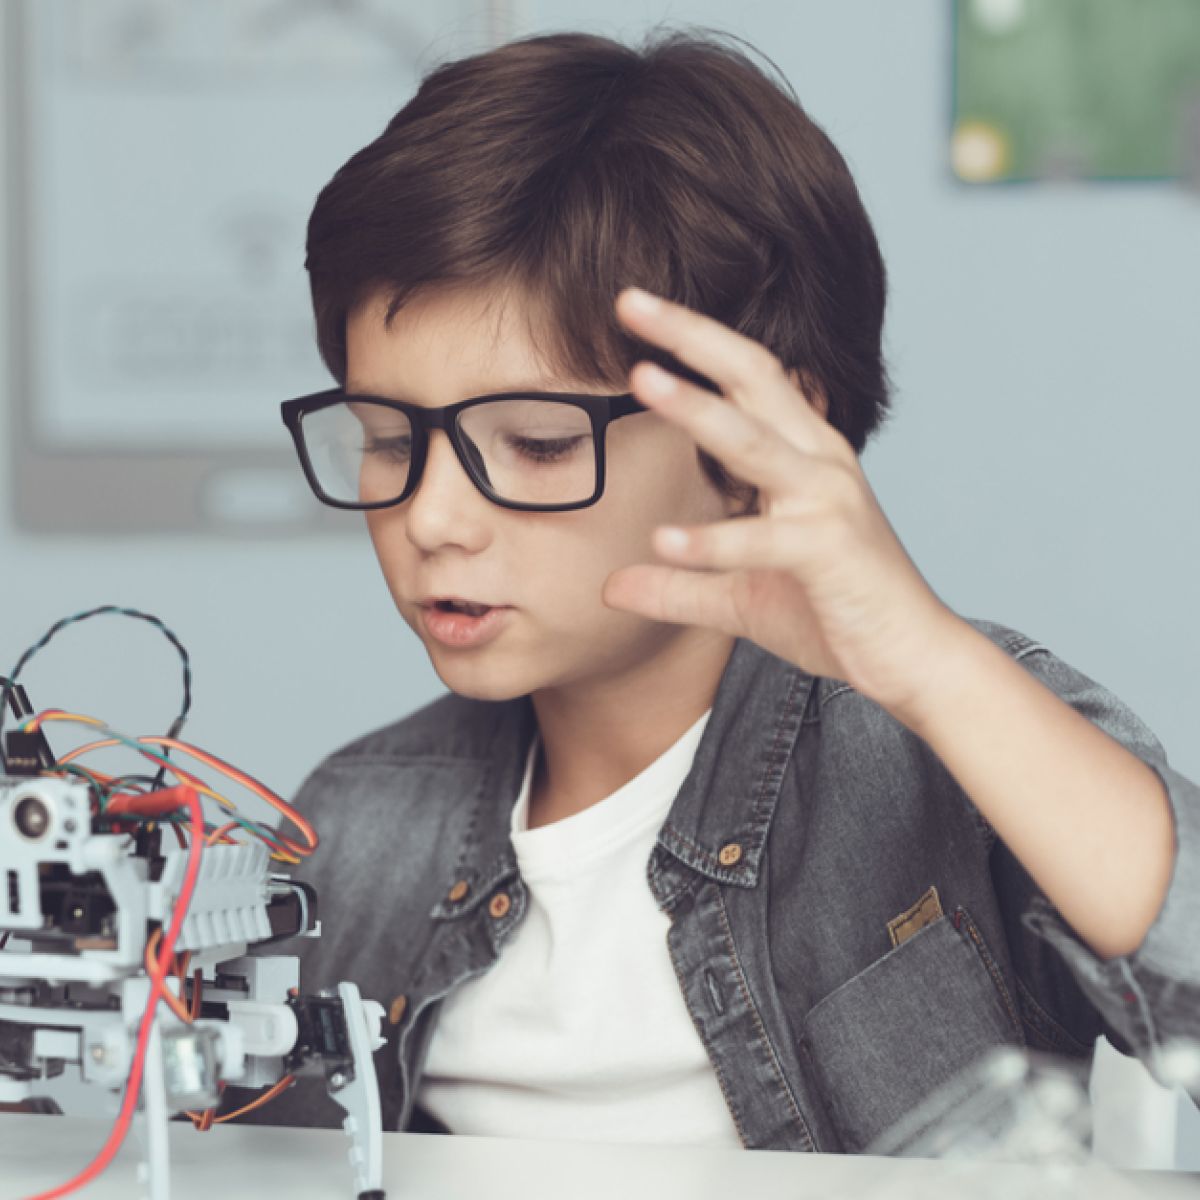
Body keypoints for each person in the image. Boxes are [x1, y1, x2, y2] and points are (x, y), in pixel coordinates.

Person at [226, 28, 1199, 1152]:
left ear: (753, 441)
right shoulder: (358, 819)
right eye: (388, 439)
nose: (432, 520)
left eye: (537, 443)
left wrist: (930, 665)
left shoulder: (950, 739)